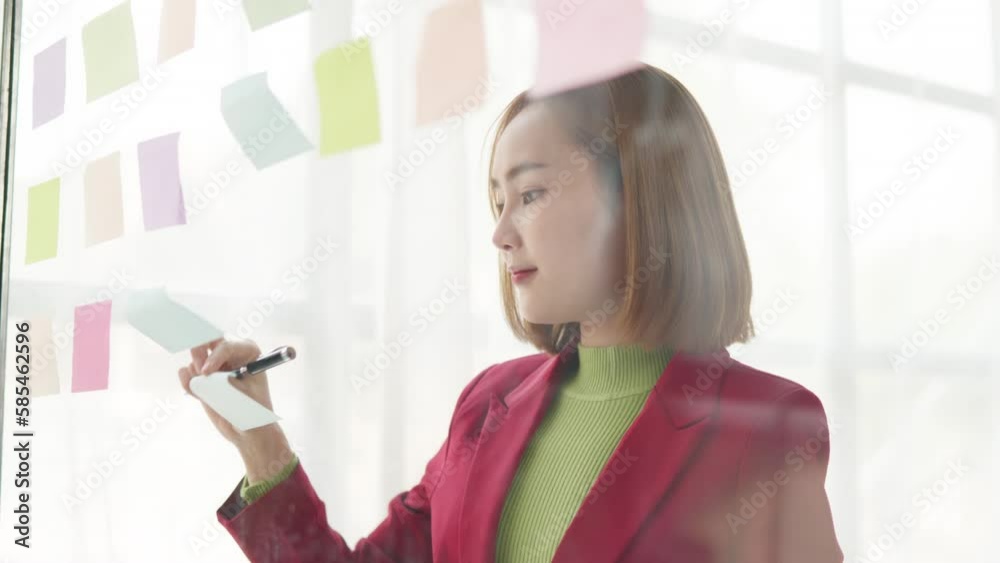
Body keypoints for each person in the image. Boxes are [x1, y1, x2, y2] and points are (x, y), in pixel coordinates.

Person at [178, 63, 844, 562]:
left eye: (530, 194)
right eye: (496, 201)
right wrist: (259, 441)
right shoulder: (487, 402)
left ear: (638, 196)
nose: (500, 233)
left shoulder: (768, 428)